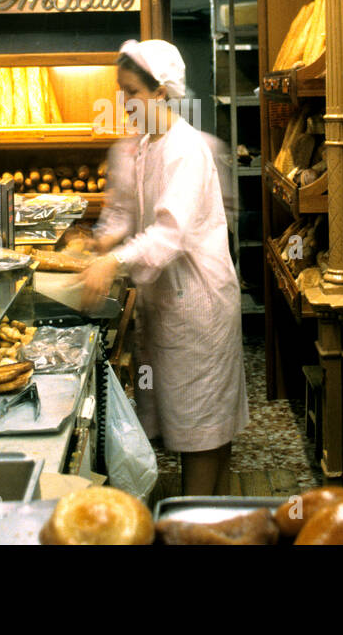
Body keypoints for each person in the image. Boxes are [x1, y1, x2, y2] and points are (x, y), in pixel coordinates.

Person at [79, 39, 249, 496]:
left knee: (201, 426)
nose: (123, 101)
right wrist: (101, 242)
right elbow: (126, 212)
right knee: (195, 419)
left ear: (160, 92)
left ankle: (194, 518)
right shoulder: (142, 147)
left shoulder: (185, 149)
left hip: (198, 306)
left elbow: (169, 234)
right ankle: (212, 511)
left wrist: (114, 260)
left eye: (131, 91)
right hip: (168, 304)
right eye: (121, 90)